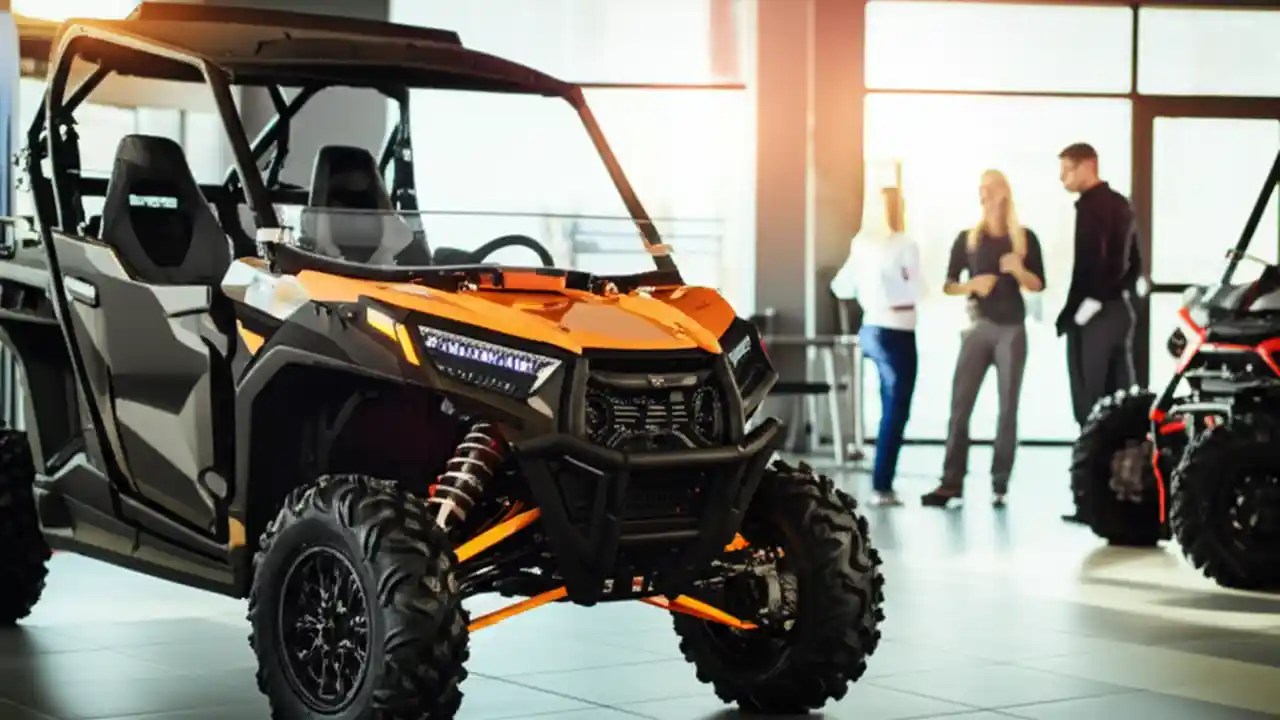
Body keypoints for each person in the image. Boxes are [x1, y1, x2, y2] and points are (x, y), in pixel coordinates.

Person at [922, 170, 1045, 509]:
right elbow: (948, 284)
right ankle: (951, 483)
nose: (984, 195)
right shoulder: (968, 239)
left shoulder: (1024, 239)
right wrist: (971, 286)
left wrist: (1018, 270)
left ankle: (1000, 483)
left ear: (1004, 192)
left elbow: (1038, 285)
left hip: (1012, 331)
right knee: (960, 407)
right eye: (980, 189)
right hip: (978, 328)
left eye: (989, 188)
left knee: (1007, 410)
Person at [1056, 142, 1146, 524]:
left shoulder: (1093, 208)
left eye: (1067, 169)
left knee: (1090, 408)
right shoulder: (1122, 204)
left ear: (1088, 165)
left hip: (1097, 314)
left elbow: (1098, 263)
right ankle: (1125, 496)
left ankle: (1090, 501)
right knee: (1121, 407)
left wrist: (1082, 310)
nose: (1062, 178)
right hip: (1120, 311)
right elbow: (1133, 263)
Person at [830, 186, 920, 507]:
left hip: (870, 329)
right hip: (897, 331)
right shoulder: (905, 244)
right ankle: (882, 486)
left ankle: (881, 482)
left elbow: (840, 287)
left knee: (887, 406)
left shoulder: (861, 244)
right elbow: (917, 289)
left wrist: (870, 292)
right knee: (896, 410)